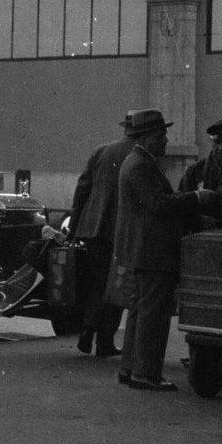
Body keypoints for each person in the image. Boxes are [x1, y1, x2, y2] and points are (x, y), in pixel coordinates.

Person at [112, 109, 218, 391]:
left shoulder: (136, 162)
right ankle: (146, 373)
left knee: (140, 309)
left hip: (142, 249)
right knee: (153, 314)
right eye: (161, 136)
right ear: (146, 138)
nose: (166, 141)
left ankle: (131, 368)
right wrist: (197, 197)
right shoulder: (142, 166)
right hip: (153, 251)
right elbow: (160, 204)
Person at [67, 111, 138, 357]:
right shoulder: (141, 155)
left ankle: (87, 330)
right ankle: (105, 341)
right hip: (121, 230)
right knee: (117, 284)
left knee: (99, 283)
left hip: (92, 228)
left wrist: (74, 226)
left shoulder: (101, 150)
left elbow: (82, 189)